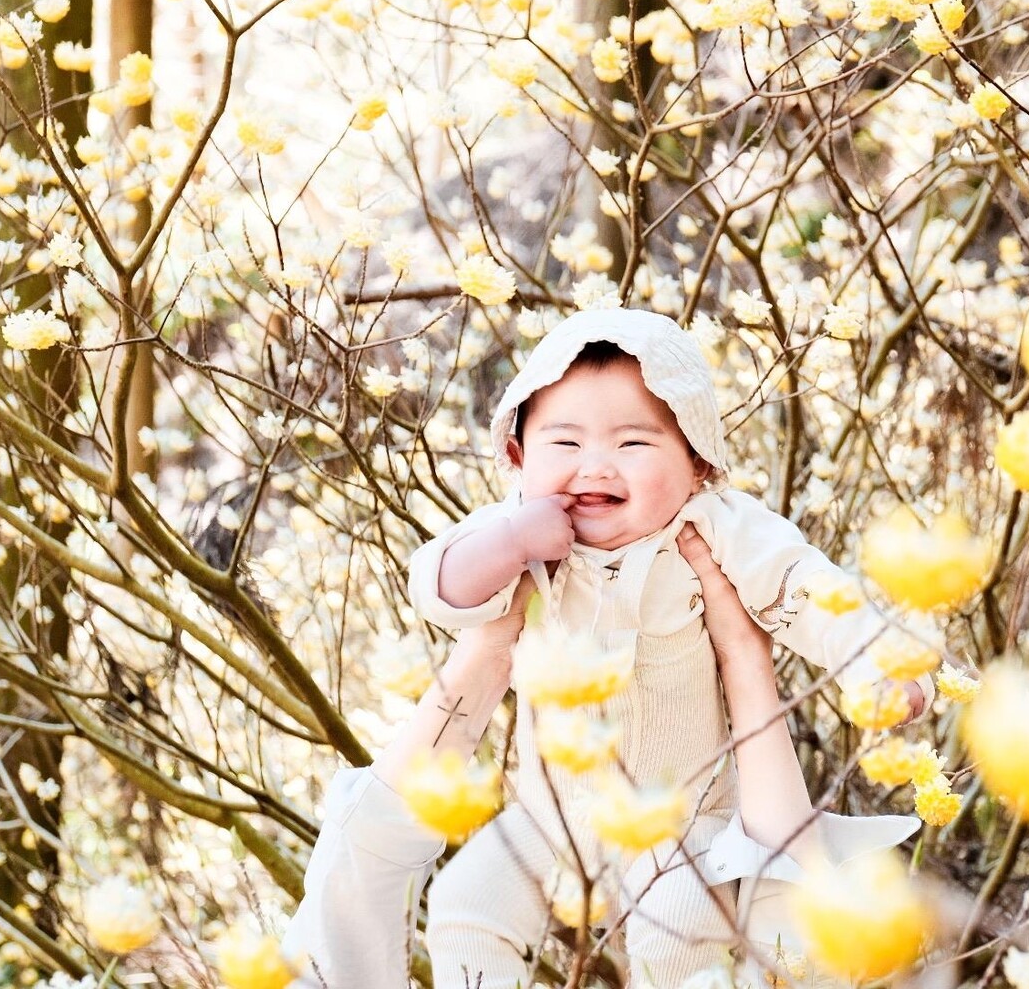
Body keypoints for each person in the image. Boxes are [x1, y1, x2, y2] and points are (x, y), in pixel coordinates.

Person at [287, 308, 928, 987]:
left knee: (673, 927)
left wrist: (877, 662)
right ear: (517, 457)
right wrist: (511, 544)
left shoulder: (713, 528)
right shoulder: (517, 534)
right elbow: (436, 585)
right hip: (547, 817)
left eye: (634, 444)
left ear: (699, 462)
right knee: (463, 902)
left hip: (679, 821)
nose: (595, 467)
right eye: (563, 444)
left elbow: (805, 584)